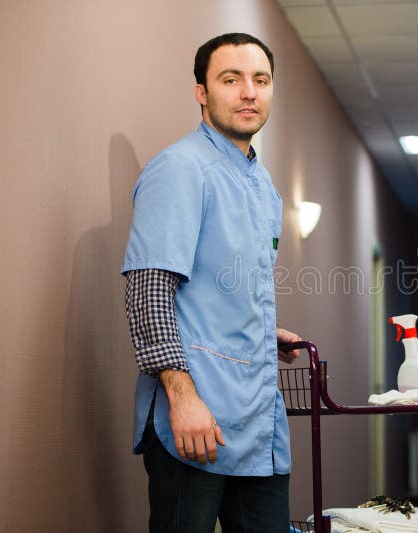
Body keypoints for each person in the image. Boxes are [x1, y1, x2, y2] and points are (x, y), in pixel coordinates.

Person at [121, 33, 301, 532]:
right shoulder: (181, 168)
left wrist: (265, 329)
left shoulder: (262, 185)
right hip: (194, 418)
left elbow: (214, 286)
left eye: (260, 80)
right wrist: (183, 397)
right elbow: (148, 289)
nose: (249, 92)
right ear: (201, 91)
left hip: (256, 420)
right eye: (231, 79)